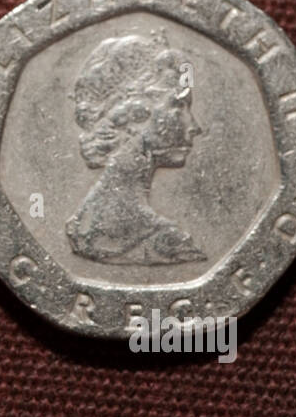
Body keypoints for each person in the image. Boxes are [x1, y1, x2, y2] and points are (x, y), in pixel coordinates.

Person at [65, 31, 206, 265]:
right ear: (135, 114)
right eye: (179, 106)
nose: (194, 127)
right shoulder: (170, 244)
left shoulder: (80, 226)